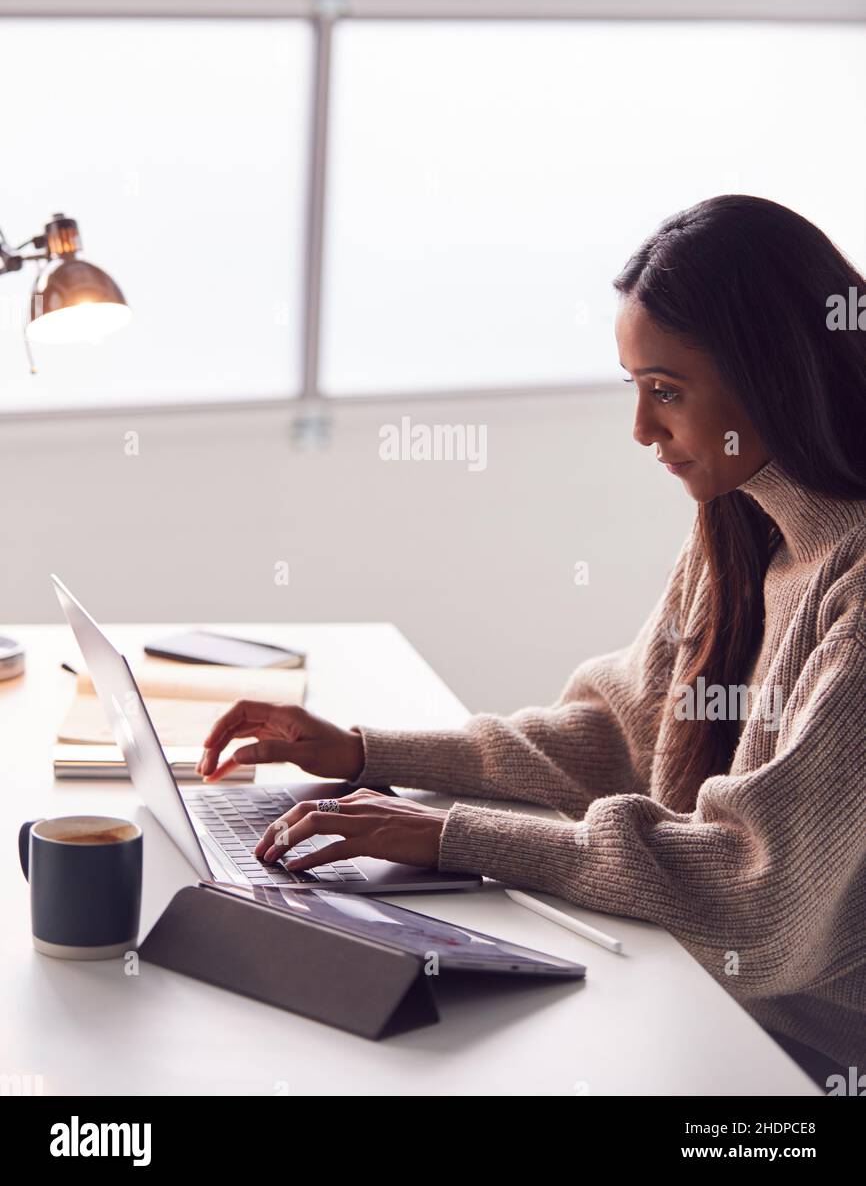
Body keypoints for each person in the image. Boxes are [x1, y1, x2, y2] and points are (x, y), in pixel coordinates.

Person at [197, 195, 866, 1090]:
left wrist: (452, 838)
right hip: (693, 990)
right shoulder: (741, 526)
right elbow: (621, 737)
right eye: (635, 389)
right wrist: (367, 751)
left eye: (666, 392)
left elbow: (757, 890)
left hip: (799, 1054)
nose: (642, 431)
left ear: (775, 374)